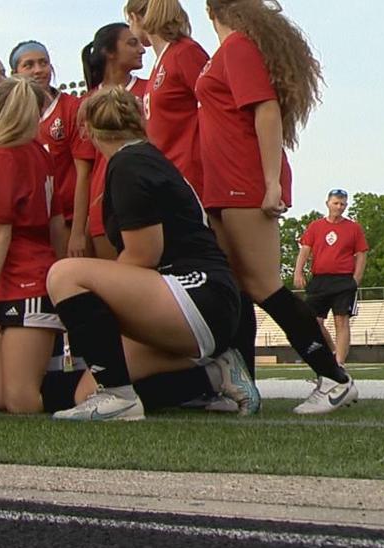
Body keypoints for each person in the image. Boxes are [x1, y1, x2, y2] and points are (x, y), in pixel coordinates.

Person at [47, 87, 259, 421]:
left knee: (64, 274)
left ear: (88, 130)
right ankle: (217, 372)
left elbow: (144, 255)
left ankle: (120, 399)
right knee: (88, 389)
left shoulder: (129, 164)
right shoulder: (144, 158)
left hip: (195, 293)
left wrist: (95, 309)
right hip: (199, 298)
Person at [197, 0, 357, 414]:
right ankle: (241, 386)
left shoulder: (237, 48)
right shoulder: (227, 50)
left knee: (263, 284)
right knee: (235, 287)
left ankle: (334, 378)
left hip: (242, 180)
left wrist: (270, 183)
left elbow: (265, 110)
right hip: (222, 183)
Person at [0, 77, 82, 414]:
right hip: (26, 274)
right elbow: (54, 223)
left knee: (21, 398)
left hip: (25, 279)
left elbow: (0, 228)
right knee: (2, 397)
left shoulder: (7, 154)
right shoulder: (38, 152)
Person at [69, 24, 150, 260]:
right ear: (109, 52)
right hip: (103, 209)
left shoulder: (150, 90)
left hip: (147, 200)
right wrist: (77, 231)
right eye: (131, 43)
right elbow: (83, 174)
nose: (142, 50)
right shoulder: (87, 104)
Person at [124, 0, 210, 195]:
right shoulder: (161, 61)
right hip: (169, 174)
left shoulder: (184, 52)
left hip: (191, 174)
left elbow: (214, 103)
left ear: (136, 17)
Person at [10, 40, 86, 259]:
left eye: (43, 63)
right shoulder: (13, 119)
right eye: (29, 65)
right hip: (35, 227)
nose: (38, 70)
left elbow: (84, 172)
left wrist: (79, 232)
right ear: (15, 73)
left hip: (71, 219)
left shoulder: (72, 107)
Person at [295, 188, 368, 365]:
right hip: (320, 279)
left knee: (341, 320)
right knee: (311, 320)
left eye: (342, 204)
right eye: (336, 203)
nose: (339, 207)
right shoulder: (315, 226)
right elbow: (305, 249)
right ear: (328, 203)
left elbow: (362, 253)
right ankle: (332, 350)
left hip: (343, 280)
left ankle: (340, 362)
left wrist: (356, 279)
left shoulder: (353, 228)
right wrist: (298, 271)